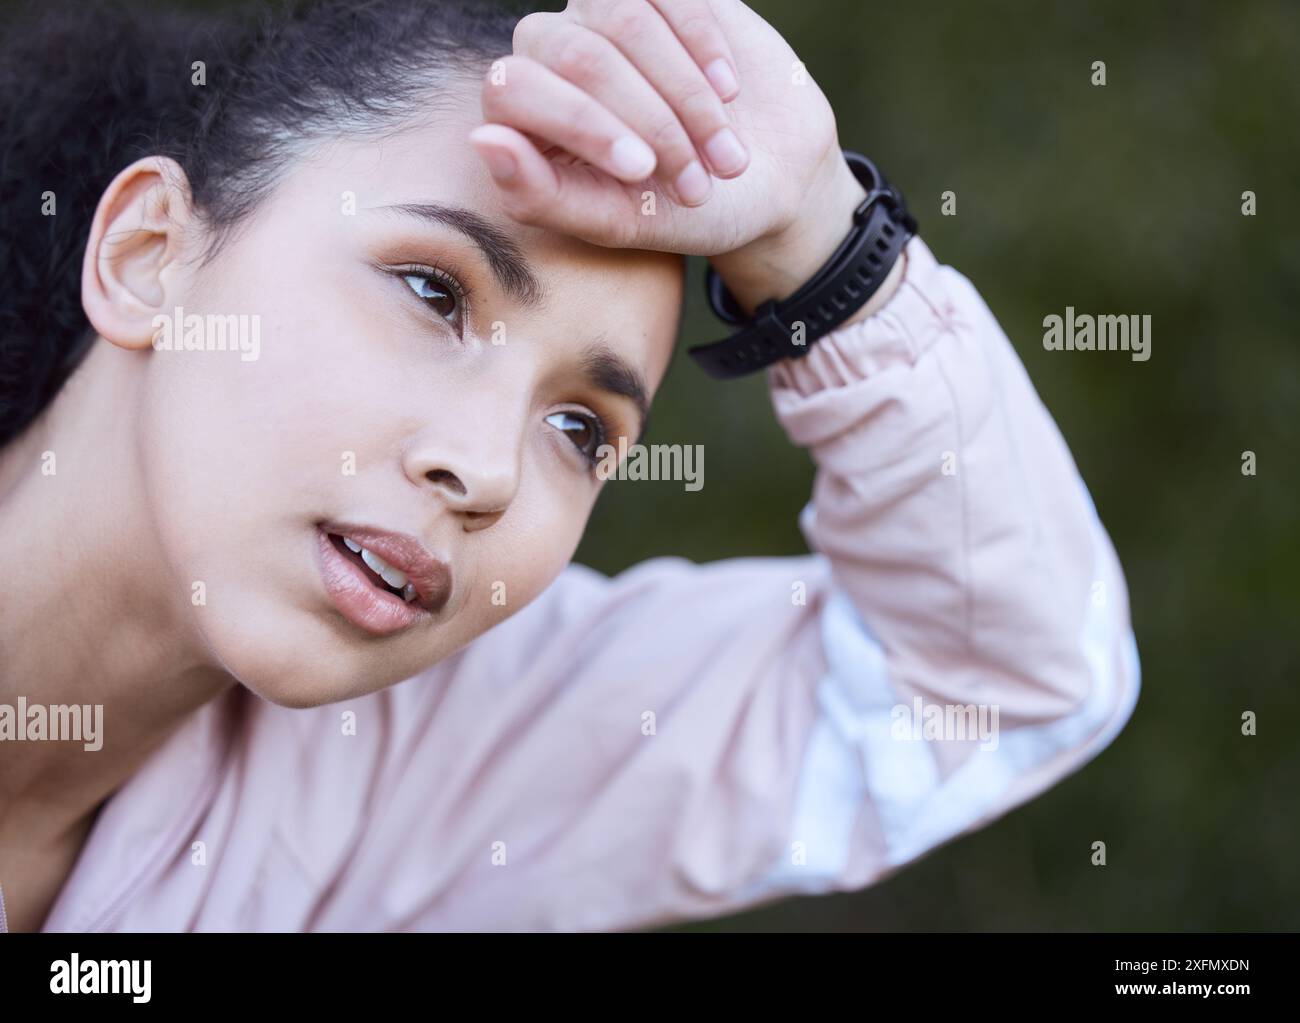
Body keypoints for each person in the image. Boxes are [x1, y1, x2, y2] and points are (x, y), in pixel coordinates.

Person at [0, 0, 1139, 932]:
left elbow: (999, 682)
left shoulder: (417, 762)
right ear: (150, 257)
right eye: (434, 291)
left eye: (582, 431)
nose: (486, 470)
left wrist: (821, 247)